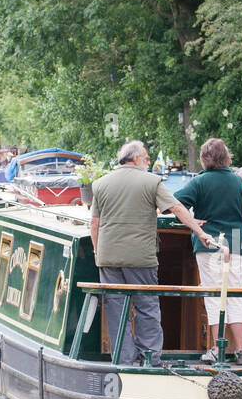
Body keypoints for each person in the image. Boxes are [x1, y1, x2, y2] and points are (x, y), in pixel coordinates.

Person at [90, 140, 217, 367]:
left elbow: (95, 223)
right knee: (146, 306)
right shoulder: (151, 182)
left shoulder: (100, 184)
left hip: (108, 257)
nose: (149, 163)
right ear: (137, 159)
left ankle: (124, 359)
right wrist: (200, 232)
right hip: (140, 258)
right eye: (148, 159)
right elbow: (177, 209)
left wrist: (97, 252)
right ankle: (150, 358)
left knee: (116, 308)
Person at [174, 138, 242, 365]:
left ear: (204, 159)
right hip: (236, 245)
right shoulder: (238, 182)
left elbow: (174, 204)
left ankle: (217, 350)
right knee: (236, 295)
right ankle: (241, 351)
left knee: (214, 296)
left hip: (209, 246)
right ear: (226, 156)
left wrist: (193, 222)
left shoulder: (199, 182)